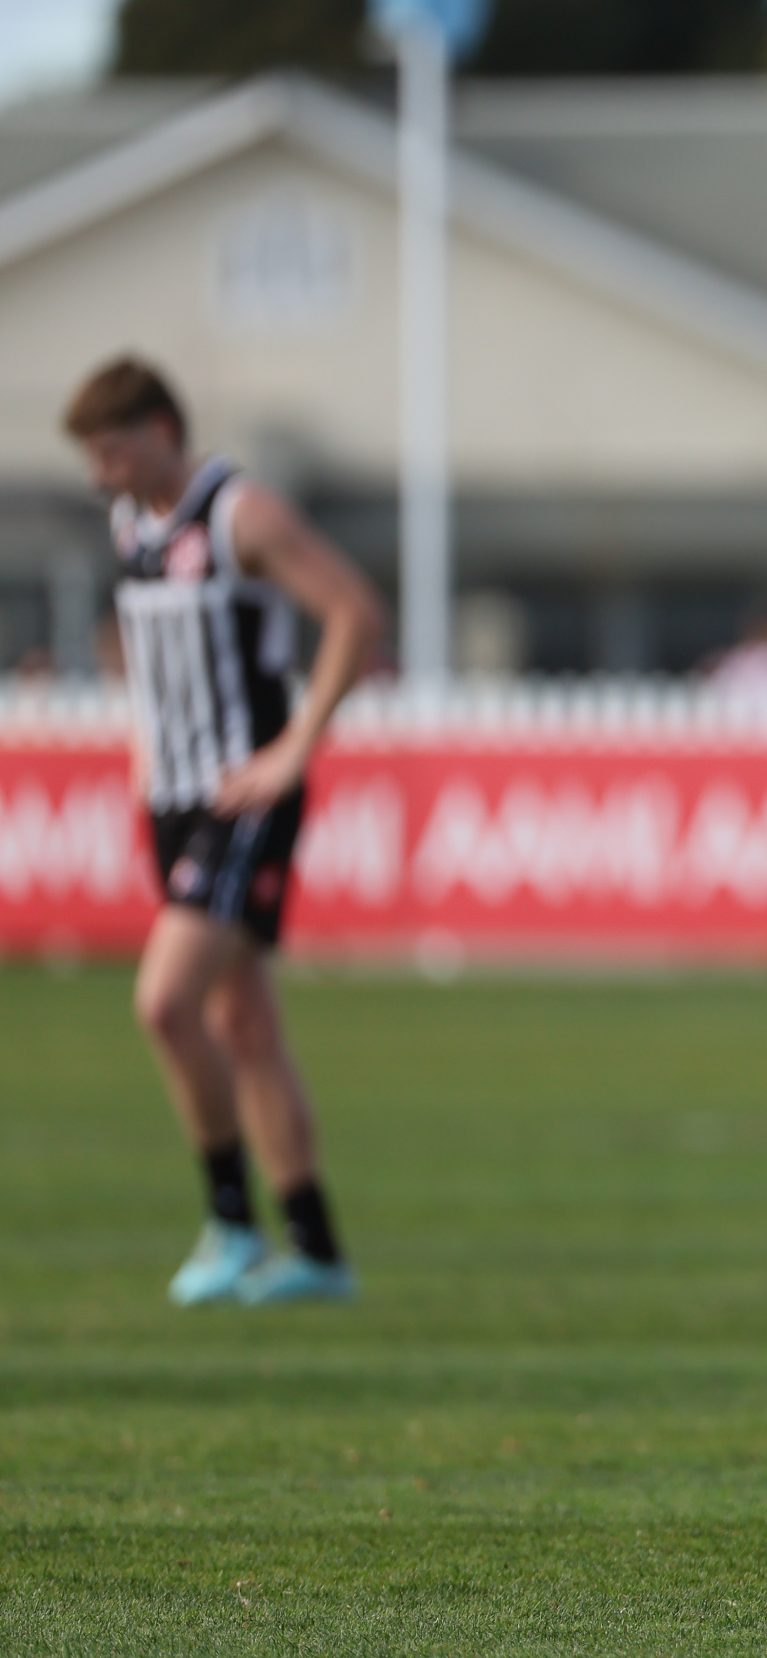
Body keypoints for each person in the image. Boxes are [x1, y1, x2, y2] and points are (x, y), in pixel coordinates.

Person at [63, 357, 384, 1306]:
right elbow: (143, 646)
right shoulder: (129, 525)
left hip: (239, 796)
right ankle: (317, 1250)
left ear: (162, 428)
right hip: (170, 799)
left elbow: (354, 614)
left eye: (112, 451)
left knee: (166, 1005)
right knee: (244, 1023)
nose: (101, 474)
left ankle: (233, 1223)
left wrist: (295, 749)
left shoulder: (238, 512)